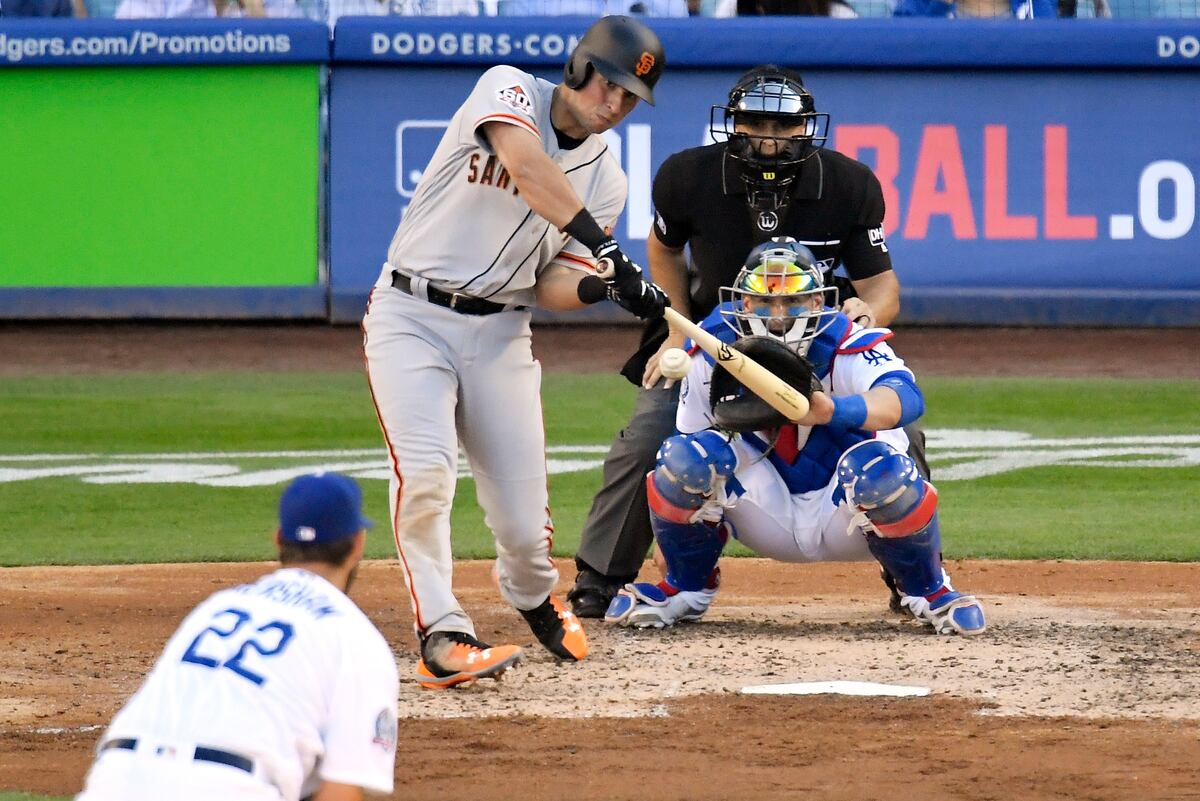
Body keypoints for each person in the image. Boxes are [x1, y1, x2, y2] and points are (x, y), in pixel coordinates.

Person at [362, 15, 669, 690]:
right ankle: (441, 629)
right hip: (412, 314)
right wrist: (611, 248)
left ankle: (532, 594)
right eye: (609, 85)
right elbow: (528, 169)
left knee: (526, 525)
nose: (613, 105)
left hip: (501, 333)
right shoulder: (506, 90)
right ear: (579, 68)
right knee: (427, 475)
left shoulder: (607, 179)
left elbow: (550, 283)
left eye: (628, 99)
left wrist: (603, 284)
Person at [568, 64, 904, 619]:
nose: (769, 136)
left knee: (898, 433)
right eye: (755, 121)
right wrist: (675, 327)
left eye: (783, 124)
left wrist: (867, 313)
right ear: (733, 124)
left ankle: (911, 572)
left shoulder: (849, 184)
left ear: (806, 128)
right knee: (650, 430)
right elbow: (663, 250)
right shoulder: (685, 176)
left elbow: (881, 285)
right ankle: (600, 576)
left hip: (817, 341)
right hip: (715, 341)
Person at [603, 238, 986, 636]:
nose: (779, 315)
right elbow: (688, 440)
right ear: (745, 303)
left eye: (793, 301)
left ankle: (928, 589)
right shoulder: (712, 346)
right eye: (765, 301)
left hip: (849, 510)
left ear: (819, 302)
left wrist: (832, 411)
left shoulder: (847, 341)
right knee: (684, 459)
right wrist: (671, 544)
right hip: (764, 508)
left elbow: (905, 399)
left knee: (881, 469)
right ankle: (684, 588)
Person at [76, 472, 399, 801]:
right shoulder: (356, 638)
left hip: (115, 779)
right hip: (229, 788)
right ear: (357, 543)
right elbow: (341, 792)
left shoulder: (218, 607)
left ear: (278, 539)